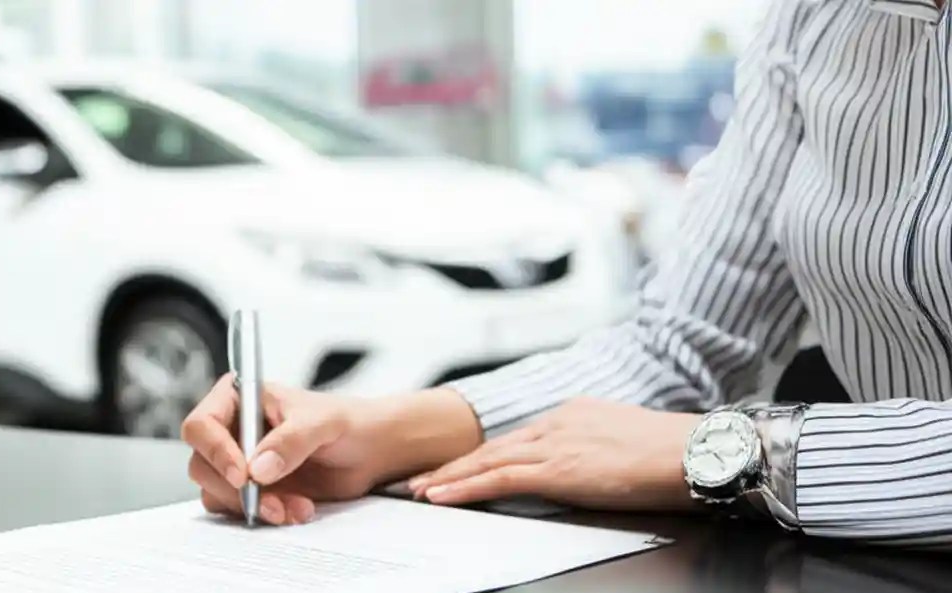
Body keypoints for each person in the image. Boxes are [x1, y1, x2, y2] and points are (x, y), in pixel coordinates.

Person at [182, 0, 952, 550]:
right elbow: (680, 347)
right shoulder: (813, 21)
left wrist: (735, 454)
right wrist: (386, 433)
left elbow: (681, 436)